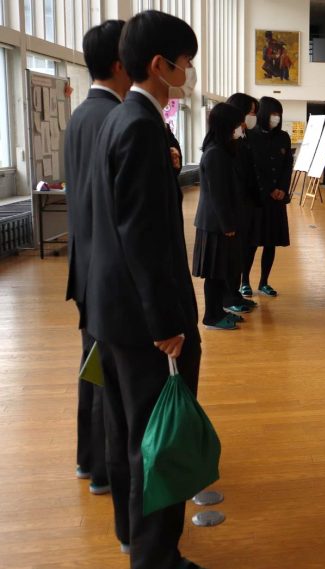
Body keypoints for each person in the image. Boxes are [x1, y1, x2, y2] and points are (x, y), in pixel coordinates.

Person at [85, 10, 204, 568]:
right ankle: (157, 557)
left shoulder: (121, 117)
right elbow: (144, 238)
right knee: (157, 441)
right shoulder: (137, 124)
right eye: (186, 63)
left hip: (113, 313)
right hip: (143, 322)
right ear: (160, 66)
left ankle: (134, 537)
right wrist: (168, 325)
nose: (189, 73)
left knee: (130, 430)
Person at [64, 18, 131, 497]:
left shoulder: (80, 116)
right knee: (109, 373)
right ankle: (107, 468)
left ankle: (89, 459)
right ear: (118, 62)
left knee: (93, 367)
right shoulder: (114, 118)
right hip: (109, 270)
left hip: (85, 266)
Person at [193, 102, 246, 330]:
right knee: (213, 274)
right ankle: (211, 316)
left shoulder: (223, 150)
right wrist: (227, 224)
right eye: (237, 124)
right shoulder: (215, 154)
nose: (241, 127)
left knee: (221, 270)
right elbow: (217, 195)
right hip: (215, 224)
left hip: (221, 223)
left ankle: (219, 310)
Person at [240, 96, 293, 297]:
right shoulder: (249, 136)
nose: (276, 118)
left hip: (277, 200)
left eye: (279, 115)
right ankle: (244, 281)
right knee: (251, 242)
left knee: (271, 242)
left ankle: (264, 282)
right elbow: (252, 169)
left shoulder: (283, 137)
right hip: (256, 199)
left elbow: (288, 165)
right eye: (273, 114)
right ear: (263, 114)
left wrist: (282, 188)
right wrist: (268, 188)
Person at [222, 93, 260, 314]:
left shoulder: (246, 137)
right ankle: (228, 296)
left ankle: (236, 293)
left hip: (248, 205)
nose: (253, 117)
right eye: (250, 112)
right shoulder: (227, 142)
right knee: (231, 256)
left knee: (243, 251)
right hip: (235, 206)